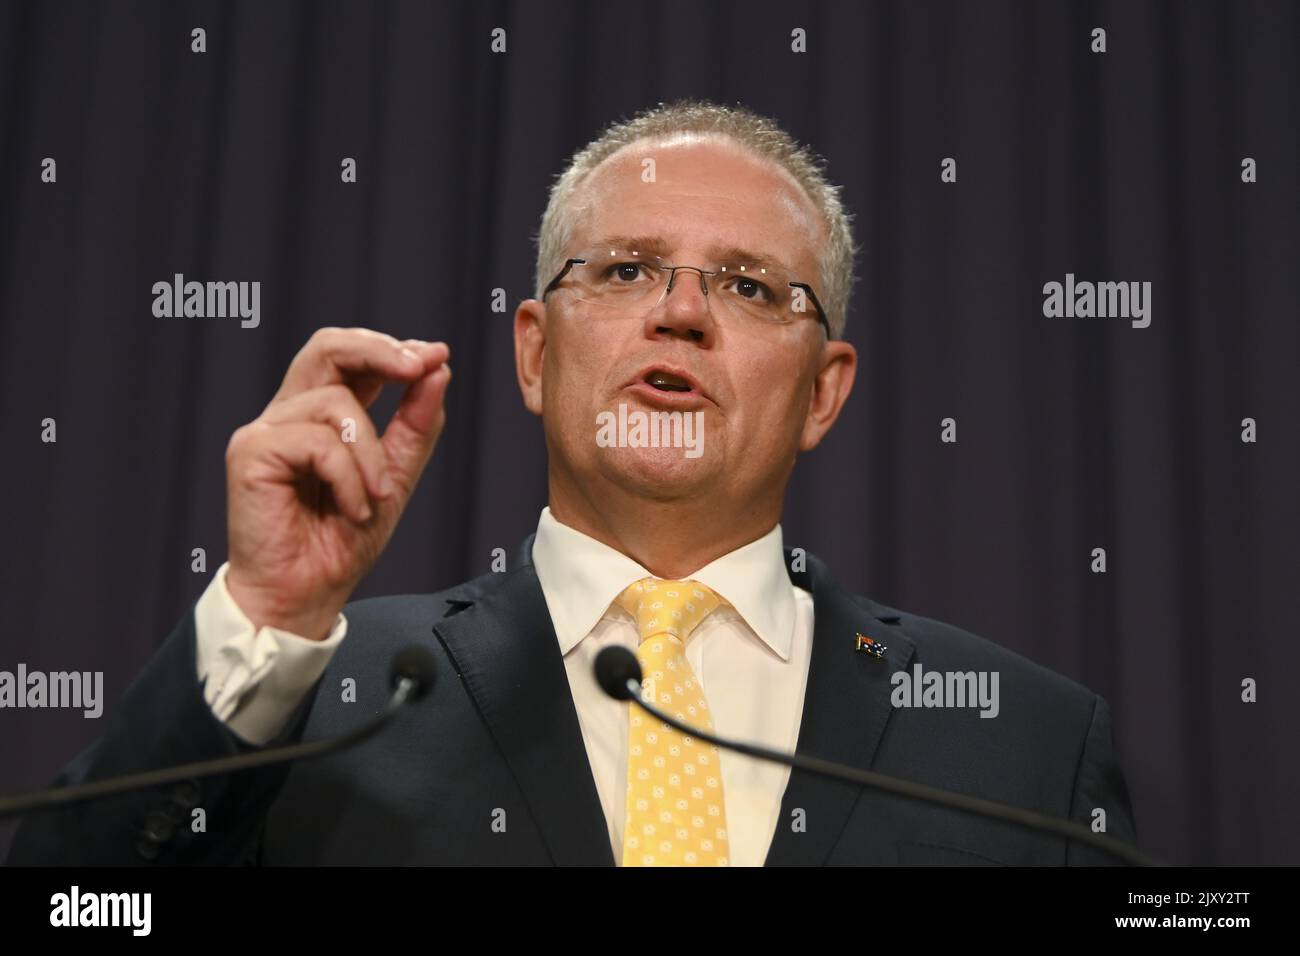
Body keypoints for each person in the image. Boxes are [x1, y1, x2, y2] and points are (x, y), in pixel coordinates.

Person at [7, 99, 1136, 866]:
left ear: (823, 391)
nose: (680, 311)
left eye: (747, 287)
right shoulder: (321, 698)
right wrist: (262, 619)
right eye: (628, 268)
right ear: (538, 352)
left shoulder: (1023, 743)